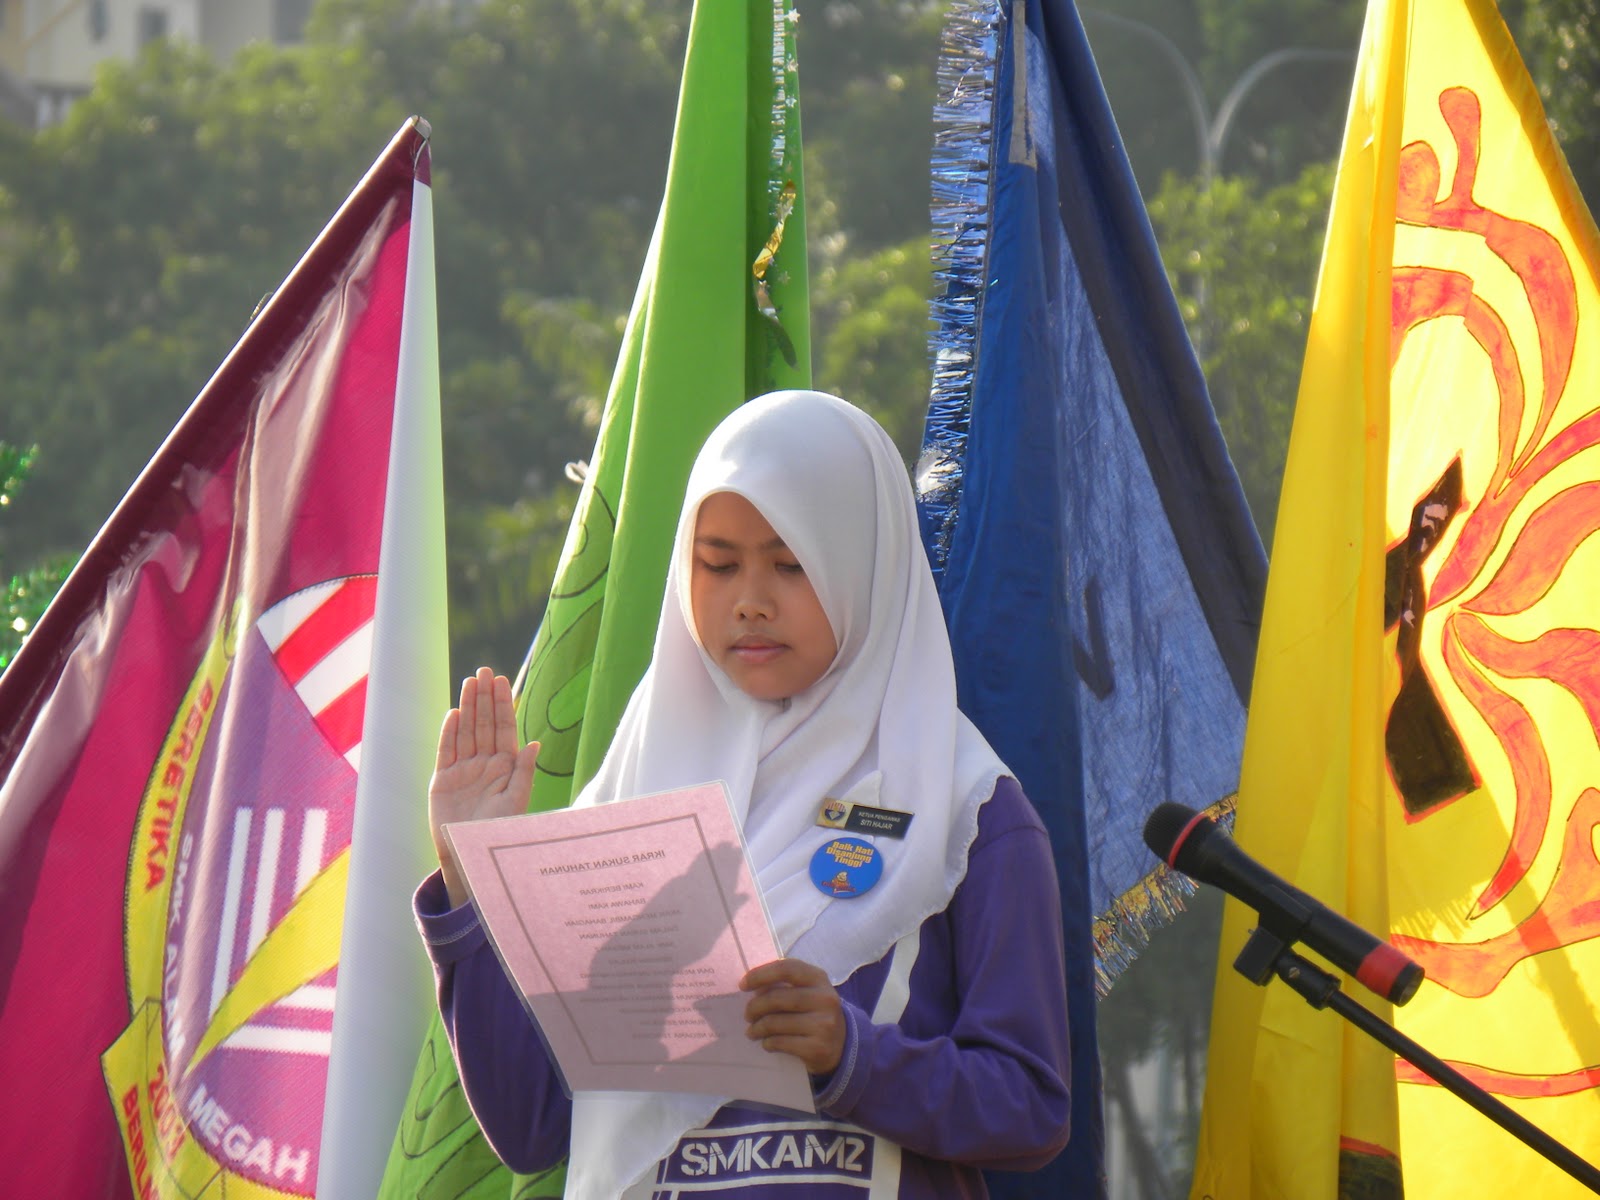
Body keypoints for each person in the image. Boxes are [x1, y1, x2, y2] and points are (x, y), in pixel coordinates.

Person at [415, 390, 1071, 1197]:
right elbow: (532, 1125)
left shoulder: (966, 809)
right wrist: (469, 887)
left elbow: (1032, 1108)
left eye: (791, 563)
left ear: (865, 561)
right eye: (718, 564)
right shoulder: (629, 795)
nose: (750, 598)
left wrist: (853, 1057)